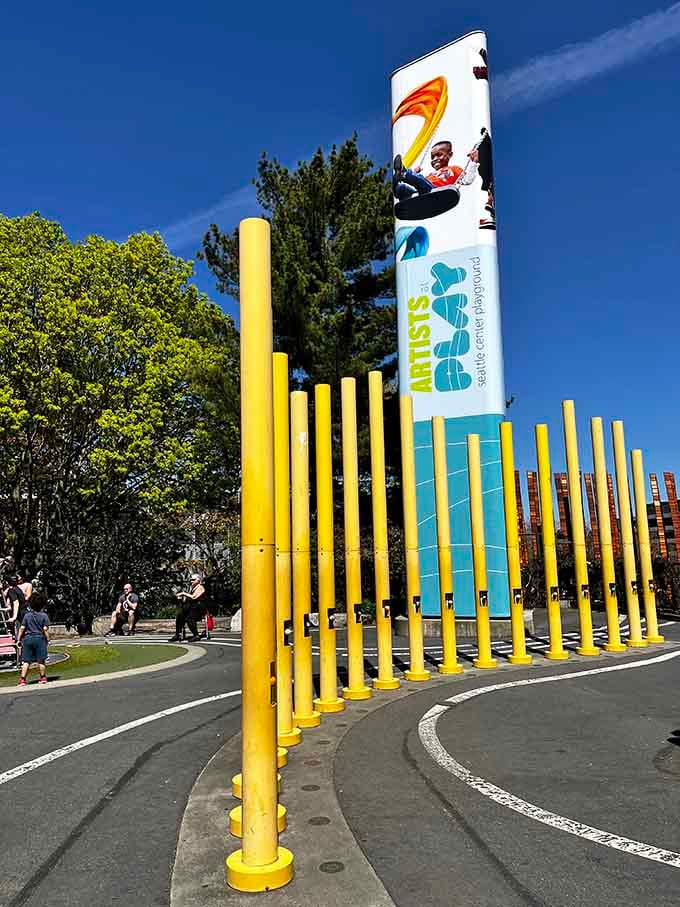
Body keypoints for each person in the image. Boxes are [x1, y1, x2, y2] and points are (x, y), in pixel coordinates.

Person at [392, 140, 480, 201]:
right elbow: (418, 183)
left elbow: (468, 180)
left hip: (435, 191)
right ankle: (398, 187)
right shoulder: (431, 175)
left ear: (450, 155)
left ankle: (404, 174)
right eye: (432, 157)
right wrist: (415, 173)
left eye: (439, 155)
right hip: (422, 192)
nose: (435, 159)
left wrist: (474, 162)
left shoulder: (454, 169)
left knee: (421, 179)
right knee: (403, 188)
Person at [17, 600, 50, 686]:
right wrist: (48, 639)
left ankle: (22, 680)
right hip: (39, 638)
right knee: (41, 660)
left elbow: (22, 628)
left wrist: (18, 639)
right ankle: (43, 677)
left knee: (26, 660)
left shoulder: (27, 616)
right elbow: (45, 629)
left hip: (28, 638)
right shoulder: (44, 616)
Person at [169, 574, 205, 642]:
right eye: (191, 580)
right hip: (191, 608)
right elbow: (187, 599)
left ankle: (196, 635)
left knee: (189, 618)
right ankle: (178, 634)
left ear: (198, 580)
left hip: (198, 609)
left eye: (193, 580)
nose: (191, 581)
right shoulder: (192, 588)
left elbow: (194, 597)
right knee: (180, 615)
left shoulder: (200, 587)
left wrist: (183, 593)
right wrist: (181, 598)